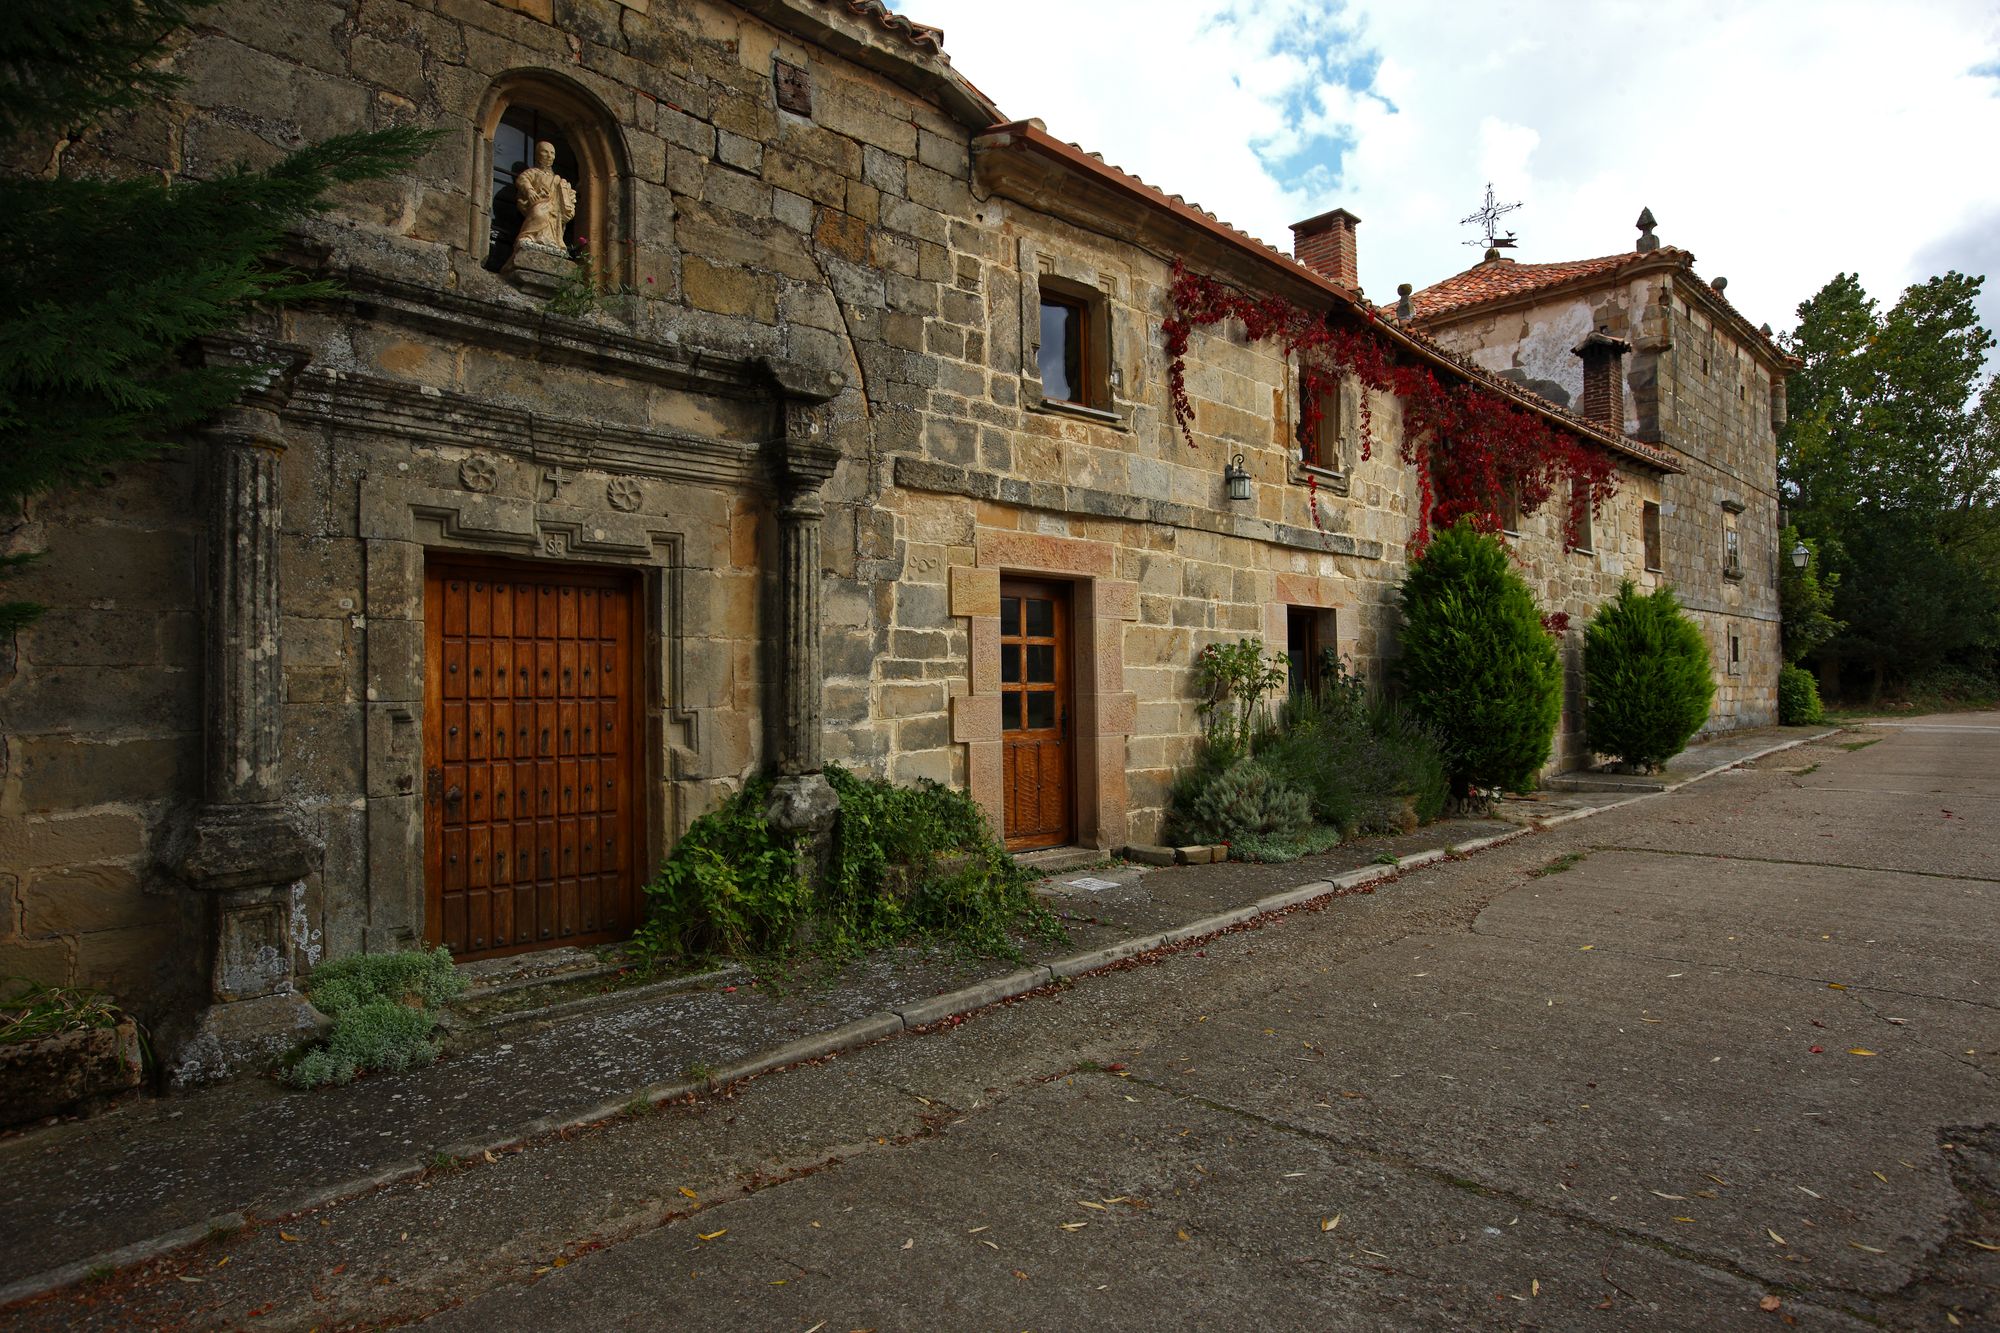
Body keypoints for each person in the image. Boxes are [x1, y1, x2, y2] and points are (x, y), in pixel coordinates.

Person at [508, 140, 576, 261]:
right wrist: (529, 190)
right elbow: (522, 180)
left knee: (552, 223)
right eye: (545, 152)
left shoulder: (557, 179)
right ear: (537, 154)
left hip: (554, 210)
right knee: (538, 214)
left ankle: (550, 242)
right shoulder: (533, 172)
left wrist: (570, 196)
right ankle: (529, 236)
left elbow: (565, 194)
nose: (549, 156)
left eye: (552, 153)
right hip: (539, 204)